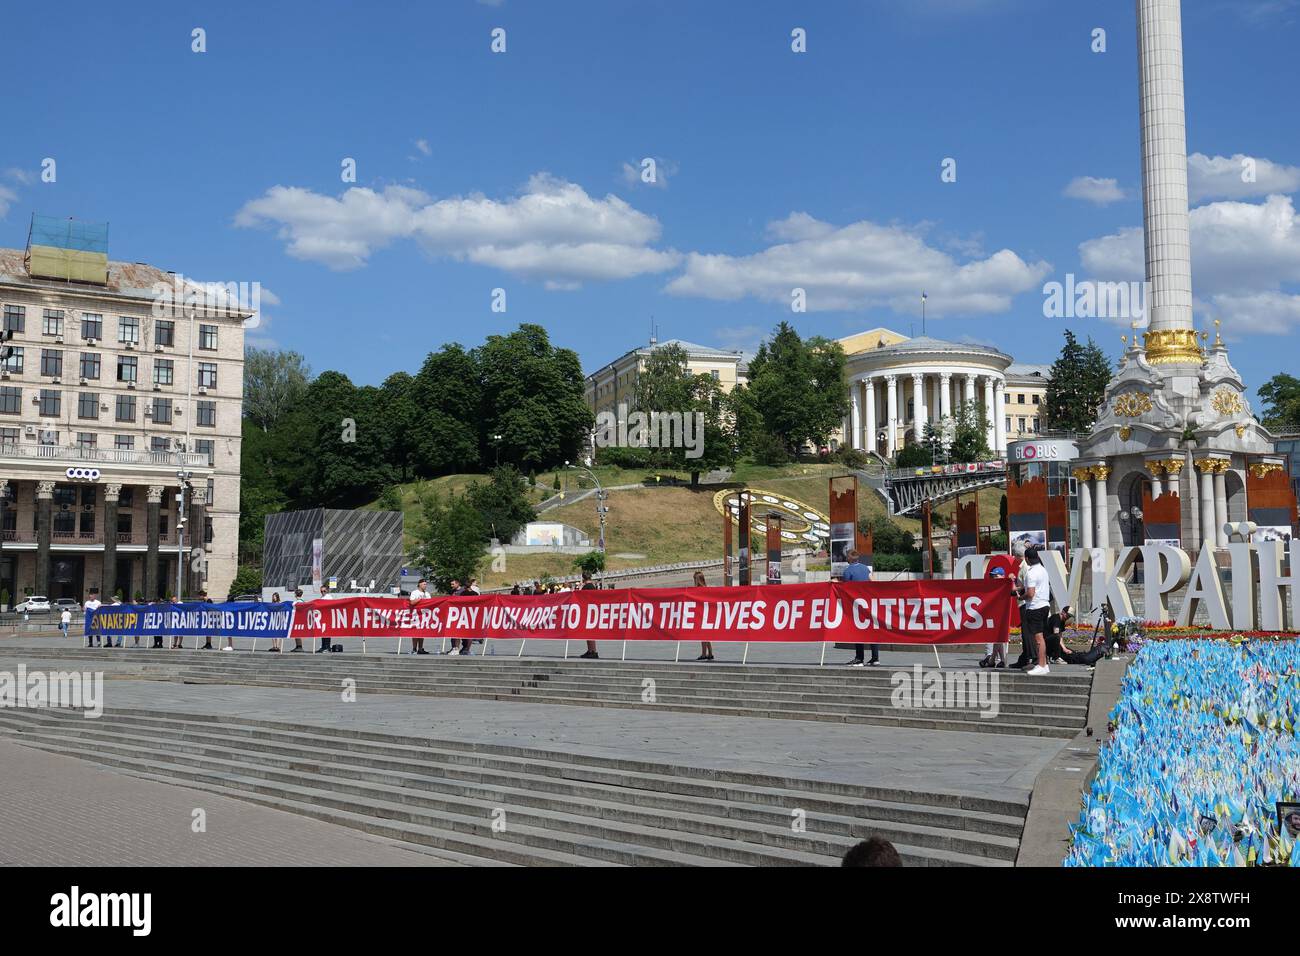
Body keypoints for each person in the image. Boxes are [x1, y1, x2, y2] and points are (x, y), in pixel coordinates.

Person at [840, 549, 877, 667]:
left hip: (856, 605)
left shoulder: (848, 571)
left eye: (847, 556)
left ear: (850, 558)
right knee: (872, 630)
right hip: (869, 603)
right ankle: (875, 658)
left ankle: (859, 658)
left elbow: (844, 587)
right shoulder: (866, 568)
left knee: (858, 630)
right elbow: (873, 581)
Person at [1020, 546, 1051, 676]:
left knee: (1038, 639)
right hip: (1045, 605)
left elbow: (1031, 593)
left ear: (1027, 559)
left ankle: (1041, 665)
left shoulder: (1031, 573)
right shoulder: (1043, 570)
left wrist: (1020, 597)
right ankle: (1044, 664)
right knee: (1041, 637)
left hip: (1035, 607)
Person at [692, 571, 715, 661]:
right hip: (703, 613)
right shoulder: (705, 588)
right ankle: (710, 653)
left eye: (695, 579)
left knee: (703, 635)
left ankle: (704, 653)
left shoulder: (701, 589)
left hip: (703, 613)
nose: (694, 581)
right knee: (706, 635)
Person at [578, 572, 600, 659]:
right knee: (590, 632)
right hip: (592, 610)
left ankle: (592, 651)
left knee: (589, 632)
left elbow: (580, 597)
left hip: (588, 610)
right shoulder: (593, 586)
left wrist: (580, 588)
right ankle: (591, 650)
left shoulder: (586, 587)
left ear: (583, 578)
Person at [409, 578, 432, 654]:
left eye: (426, 584)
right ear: (419, 584)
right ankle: (414, 648)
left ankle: (420, 648)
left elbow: (431, 603)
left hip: (424, 615)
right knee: (415, 632)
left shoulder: (427, 594)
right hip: (416, 615)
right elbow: (412, 602)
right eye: (424, 584)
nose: (425, 586)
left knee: (422, 632)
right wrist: (420, 600)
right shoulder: (414, 592)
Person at [315, 585, 334, 652]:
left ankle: (327, 647)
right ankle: (323, 646)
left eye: (324, 591)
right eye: (321, 591)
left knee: (327, 632)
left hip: (327, 616)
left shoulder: (329, 597)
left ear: (327, 591)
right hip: (322, 616)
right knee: (322, 632)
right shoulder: (322, 597)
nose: (322, 592)